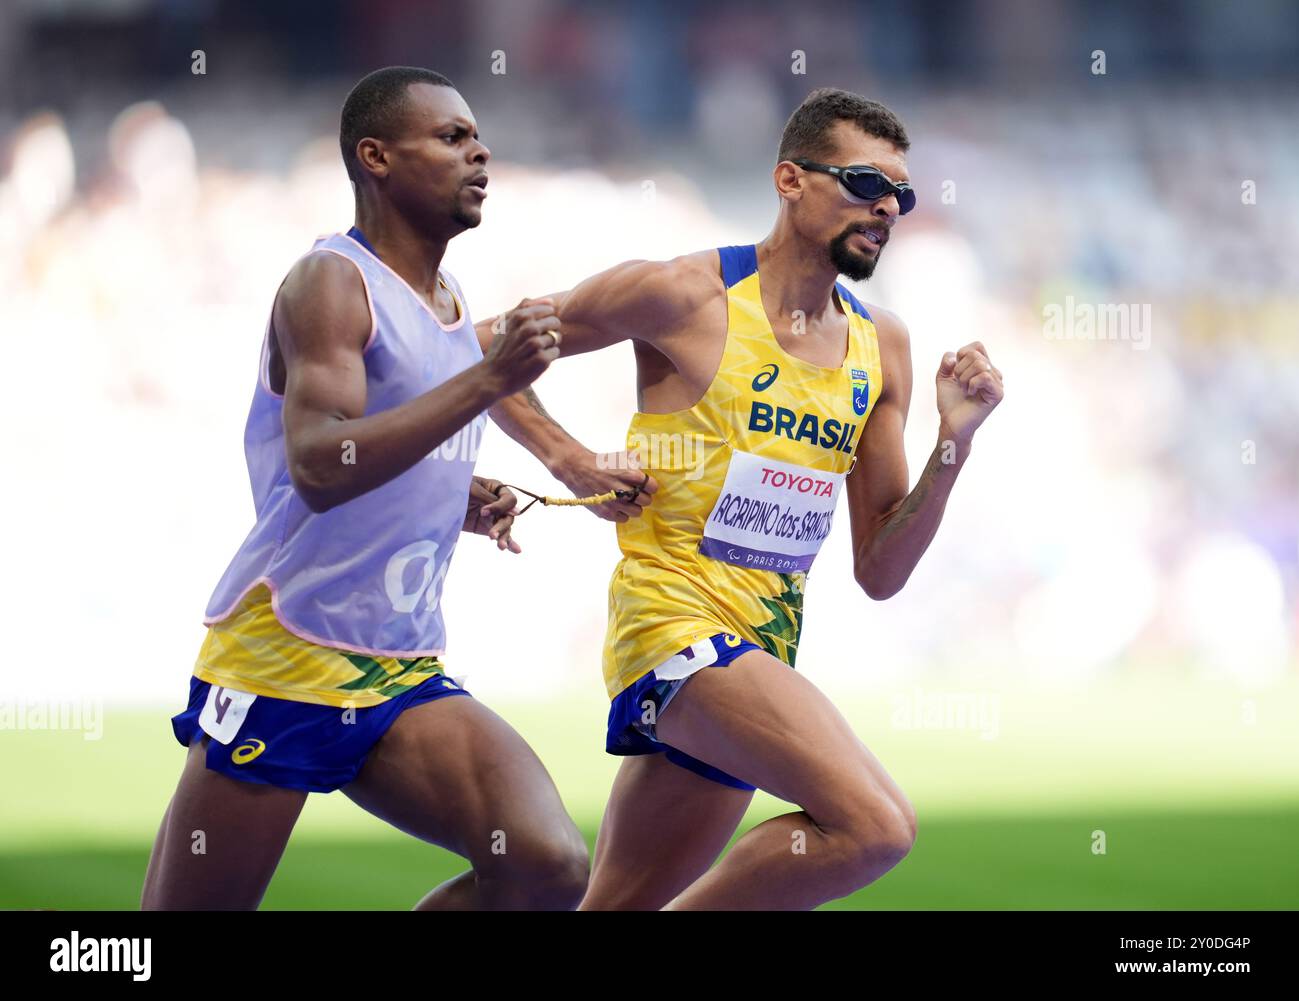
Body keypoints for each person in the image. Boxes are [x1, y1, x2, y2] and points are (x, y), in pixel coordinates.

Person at [481, 88, 1005, 910]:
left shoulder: (884, 346)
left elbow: (880, 570)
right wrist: (569, 457)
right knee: (876, 826)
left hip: (759, 646)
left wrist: (954, 443)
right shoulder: (683, 295)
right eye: (867, 185)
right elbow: (474, 350)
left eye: (901, 195)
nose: (888, 209)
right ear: (789, 179)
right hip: (674, 630)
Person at [141, 66, 639, 910]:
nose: (480, 151)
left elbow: (398, 435)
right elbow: (320, 466)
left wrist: (457, 489)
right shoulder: (330, 283)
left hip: (397, 665)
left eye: (478, 136)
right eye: (451, 137)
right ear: (375, 156)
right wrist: (488, 381)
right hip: (286, 658)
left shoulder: (445, 297)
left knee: (545, 865)